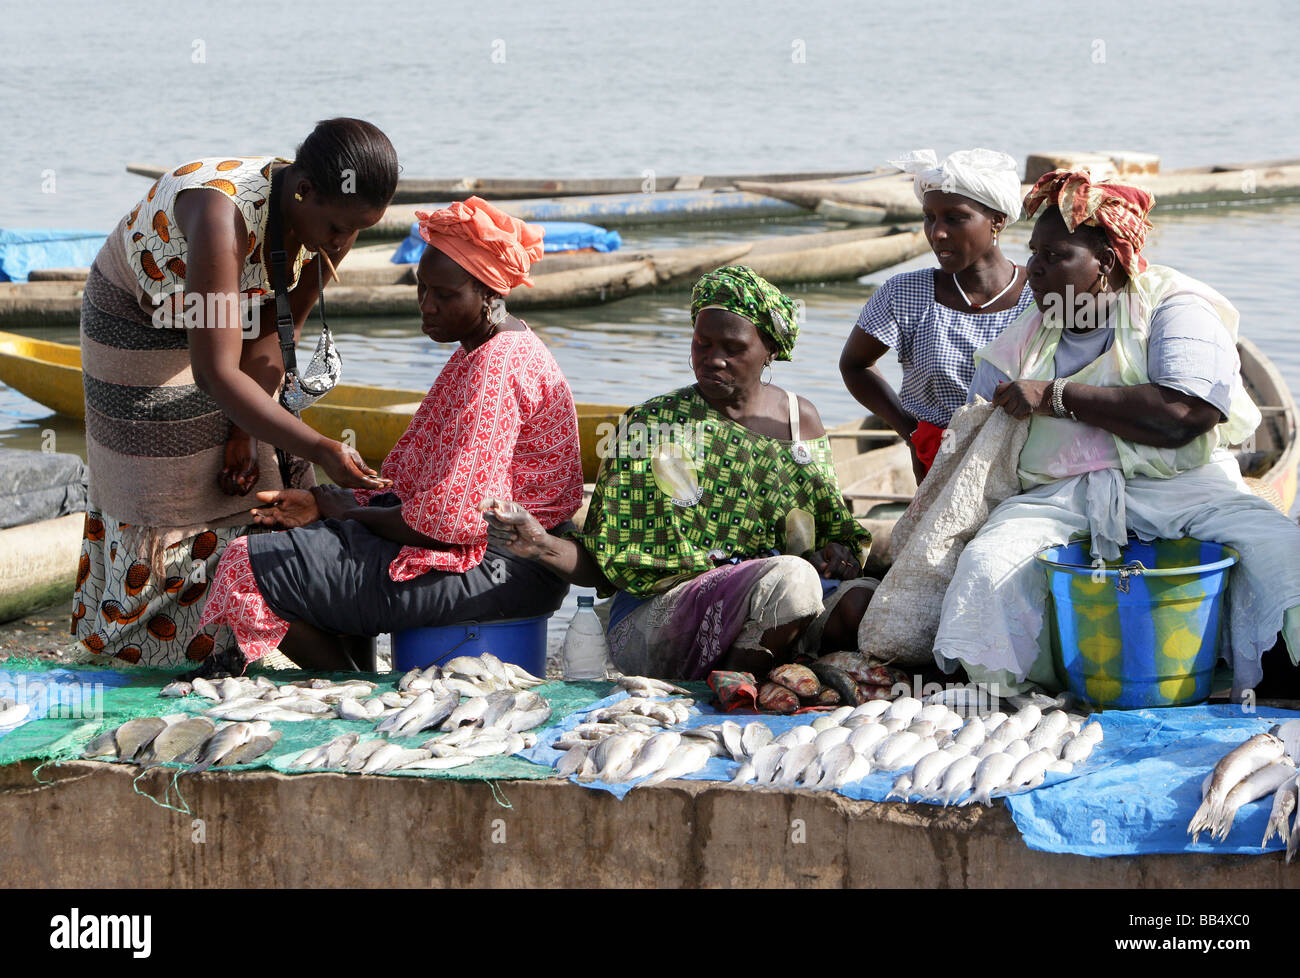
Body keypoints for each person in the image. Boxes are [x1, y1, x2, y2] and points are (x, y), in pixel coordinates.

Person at [935, 168, 1300, 696]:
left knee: (1283, 555)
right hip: (1061, 498)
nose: (1033, 271)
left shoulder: (1174, 307)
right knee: (985, 568)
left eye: (1055, 256)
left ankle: (1266, 682)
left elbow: (1183, 415)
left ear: (1105, 261)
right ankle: (1031, 700)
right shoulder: (1025, 339)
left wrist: (1054, 395)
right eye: (1033, 254)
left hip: (1187, 487)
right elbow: (974, 435)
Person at [196, 197, 584, 671]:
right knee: (311, 537)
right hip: (496, 555)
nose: (426, 305)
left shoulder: (496, 368)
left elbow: (453, 520)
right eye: (422, 288)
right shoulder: (489, 346)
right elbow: (427, 492)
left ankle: (348, 687)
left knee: (248, 567)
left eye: (443, 295)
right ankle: (357, 678)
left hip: (503, 565)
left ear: (489, 295)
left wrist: (349, 514)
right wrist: (327, 504)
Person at [73, 118, 398, 666]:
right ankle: (150, 644)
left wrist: (244, 432)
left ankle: (248, 630)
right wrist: (322, 446)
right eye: (340, 229)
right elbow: (217, 376)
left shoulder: (333, 212)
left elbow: (277, 327)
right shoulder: (219, 219)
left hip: (231, 322)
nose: (344, 243)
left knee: (262, 485)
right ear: (303, 192)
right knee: (170, 489)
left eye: (359, 230)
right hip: (141, 318)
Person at [482, 265, 873, 681]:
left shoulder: (800, 421)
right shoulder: (651, 426)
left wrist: (836, 556)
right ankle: (734, 694)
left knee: (865, 602)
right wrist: (541, 544)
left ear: (770, 350)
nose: (713, 359)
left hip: (774, 605)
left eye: (733, 348)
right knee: (793, 581)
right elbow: (603, 561)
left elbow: (836, 534)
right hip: (661, 619)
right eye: (702, 343)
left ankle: (771, 672)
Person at [840, 148, 1032, 482]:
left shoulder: (1039, 294)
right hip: (940, 466)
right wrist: (911, 433)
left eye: (955, 218)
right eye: (930, 217)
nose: (937, 232)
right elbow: (855, 365)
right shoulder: (904, 293)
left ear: (997, 220)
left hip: (1028, 467)